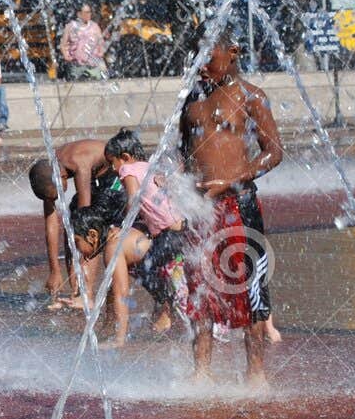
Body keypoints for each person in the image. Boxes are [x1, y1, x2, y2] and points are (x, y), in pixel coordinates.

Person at [180, 32, 284, 384]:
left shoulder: (251, 97)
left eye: (208, 58)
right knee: (199, 288)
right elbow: (184, 153)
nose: (200, 67)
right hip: (200, 209)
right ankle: (201, 371)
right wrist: (176, 185)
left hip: (239, 204)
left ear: (233, 52)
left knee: (249, 288)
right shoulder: (191, 101)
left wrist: (232, 180)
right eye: (195, 59)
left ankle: (255, 373)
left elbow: (274, 152)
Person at [103, 129, 189, 345]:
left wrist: (123, 227)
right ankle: (168, 303)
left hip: (170, 234)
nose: (112, 169)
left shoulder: (128, 170)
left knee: (144, 267)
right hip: (181, 227)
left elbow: (133, 201)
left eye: (112, 163)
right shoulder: (148, 167)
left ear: (124, 157)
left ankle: (166, 303)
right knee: (156, 265)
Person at [27, 137, 120, 310]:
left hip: (116, 178)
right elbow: (51, 224)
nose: (59, 197)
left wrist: (80, 265)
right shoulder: (48, 172)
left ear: (62, 177)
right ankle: (77, 292)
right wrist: (54, 270)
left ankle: (86, 295)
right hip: (96, 179)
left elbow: (85, 224)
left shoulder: (79, 165)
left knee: (88, 228)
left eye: (58, 193)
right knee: (71, 223)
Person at [60, 3, 107, 79]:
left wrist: (101, 52)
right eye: (86, 12)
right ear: (79, 14)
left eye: (90, 12)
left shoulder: (94, 26)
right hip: (76, 64)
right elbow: (63, 44)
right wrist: (66, 55)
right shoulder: (70, 27)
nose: (89, 14)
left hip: (93, 64)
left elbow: (101, 43)